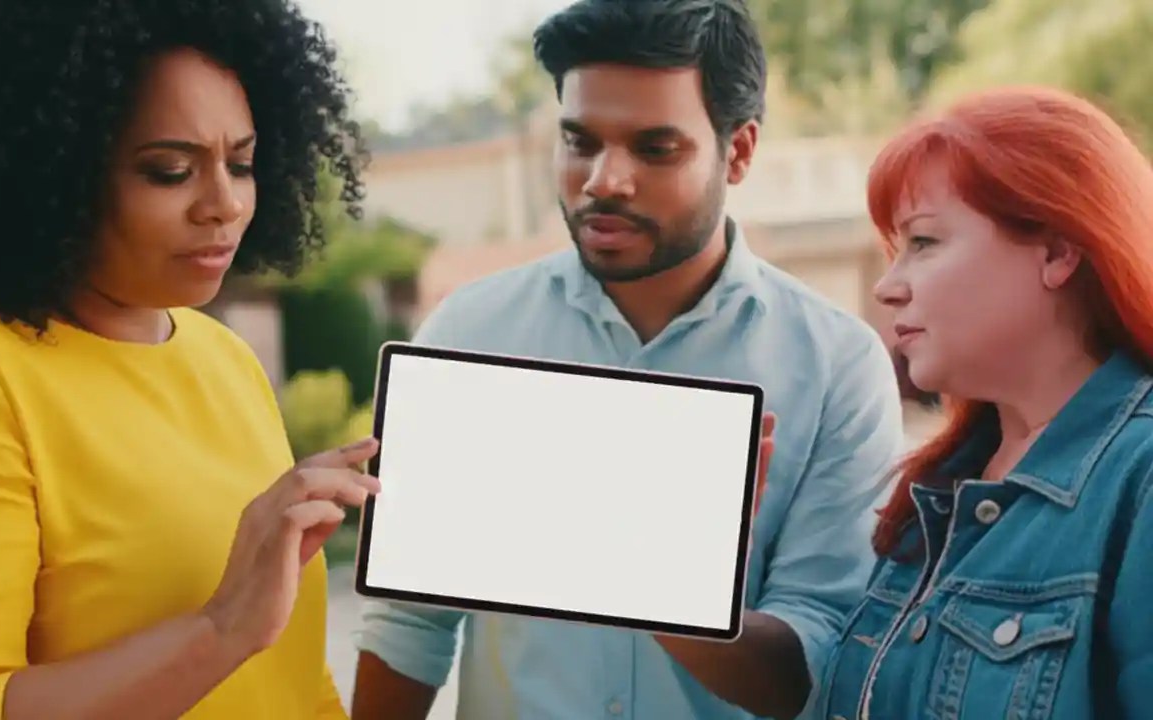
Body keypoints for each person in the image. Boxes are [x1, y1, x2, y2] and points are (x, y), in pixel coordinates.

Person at [350, 1, 905, 718]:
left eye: (654, 148)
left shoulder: (836, 366)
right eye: (579, 141)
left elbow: (820, 667)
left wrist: (666, 580)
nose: (604, 180)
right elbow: (409, 623)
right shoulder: (471, 333)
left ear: (738, 152)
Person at [0, 2, 381, 718]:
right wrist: (220, 631)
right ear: (48, 171)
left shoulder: (223, 358)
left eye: (241, 163)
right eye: (169, 171)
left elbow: (290, 680)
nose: (225, 204)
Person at [816, 86, 1153, 719]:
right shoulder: (936, 488)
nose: (888, 287)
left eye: (923, 242)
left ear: (1057, 252)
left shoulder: (1139, 480)